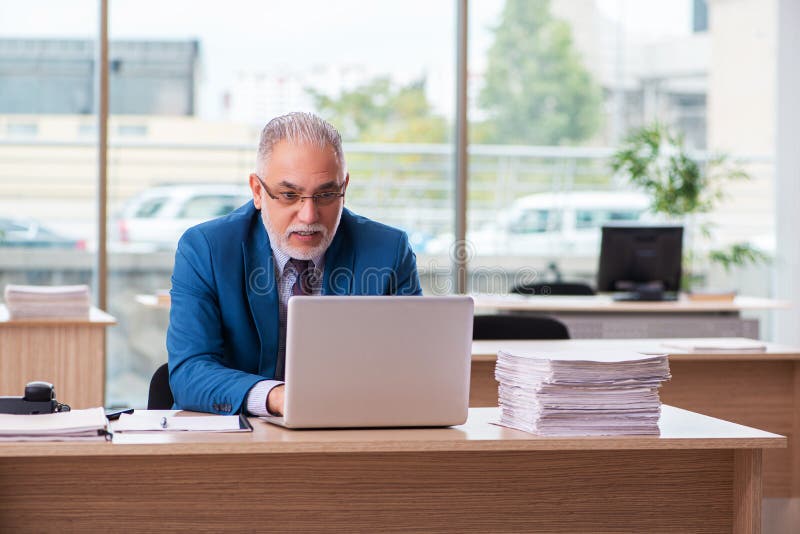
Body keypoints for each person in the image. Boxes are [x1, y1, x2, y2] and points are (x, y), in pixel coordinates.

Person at [166, 112, 422, 416]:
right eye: (289, 195)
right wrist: (278, 397)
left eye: (326, 195)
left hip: (347, 434)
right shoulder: (206, 249)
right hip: (232, 441)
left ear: (345, 187)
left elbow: (413, 367)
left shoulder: (388, 251)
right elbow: (190, 372)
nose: (309, 216)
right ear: (258, 191)